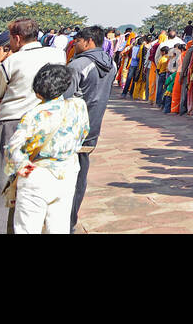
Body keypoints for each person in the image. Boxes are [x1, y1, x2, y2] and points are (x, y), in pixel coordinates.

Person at [0, 19, 67, 234]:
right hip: (47, 127)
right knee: (32, 181)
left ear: (16, 38)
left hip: (12, 126)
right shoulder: (56, 55)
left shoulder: (13, 61)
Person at [5, 64, 90, 234]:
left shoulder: (35, 114)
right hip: (67, 171)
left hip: (37, 173)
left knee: (27, 228)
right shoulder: (78, 106)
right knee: (59, 226)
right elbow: (84, 132)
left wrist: (19, 167)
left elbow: (14, 148)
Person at [65, 25, 115, 232]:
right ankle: (70, 220)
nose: (74, 44)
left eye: (77, 40)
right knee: (80, 176)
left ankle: (63, 223)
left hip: (72, 128)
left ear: (88, 42)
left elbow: (65, 99)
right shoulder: (110, 64)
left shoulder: (79, 65)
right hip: (93, 126)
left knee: (66, 177)